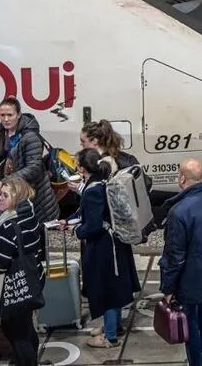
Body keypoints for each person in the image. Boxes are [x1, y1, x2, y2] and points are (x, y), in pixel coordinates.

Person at [63, 149, 141, 349]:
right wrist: (70, 220)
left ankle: (110, 336)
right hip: (112, 244)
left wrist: (76, 230)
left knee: (106, 290)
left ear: (82, 169)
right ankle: (110, 327)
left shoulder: (91, 191)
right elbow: (86, 213)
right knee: (112, 288)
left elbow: (93, 225)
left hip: (103, 248)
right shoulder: (100, 184)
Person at [159, 158, 202, 366]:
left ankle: (196, 362)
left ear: (181, 178)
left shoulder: (178, 211)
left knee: (190, 325)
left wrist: (168, 287)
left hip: (189, 280)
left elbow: (175, 256)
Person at [0, 175, 46, 366]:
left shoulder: (8, 227)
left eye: (5, 195)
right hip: (32, 280)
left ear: (17, 198)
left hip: (14, 287)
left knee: (16, 333)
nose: (0, 198)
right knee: (27, 328)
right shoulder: (30, 217)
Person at [0, 97, 60, 225]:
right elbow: (3, 155)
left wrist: (6, 180)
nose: (6, 119)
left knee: (33, 231)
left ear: (19, 115)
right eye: (2, 115)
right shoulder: (2, 131)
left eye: (10, 115)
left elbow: (34, 168)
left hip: (34, 194)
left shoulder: (30, 136)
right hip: (17, 190)